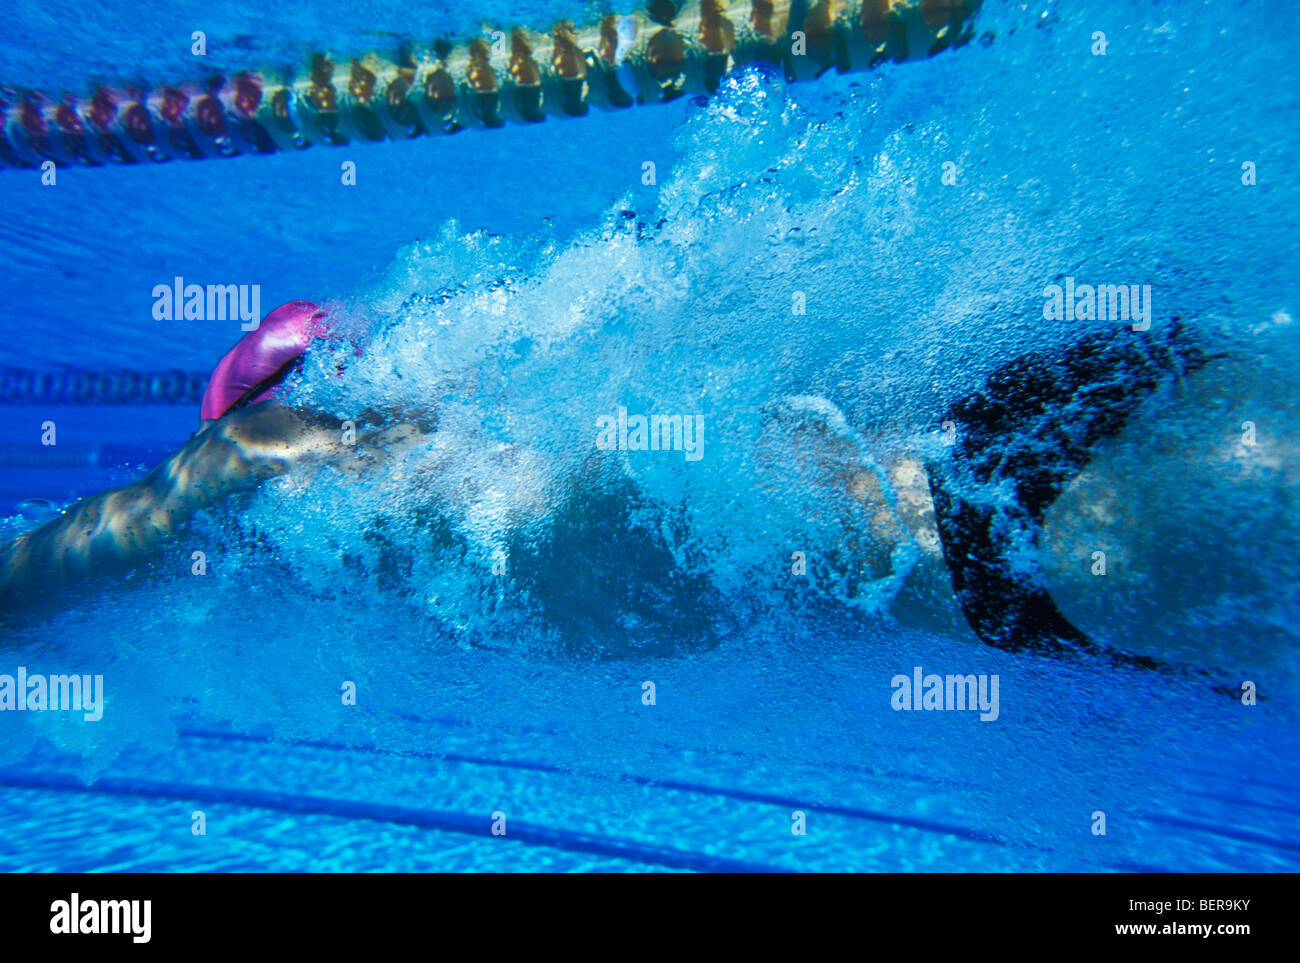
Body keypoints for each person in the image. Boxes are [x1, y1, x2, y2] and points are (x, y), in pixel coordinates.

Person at [0, 302, 1218, 678]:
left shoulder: (277, 452)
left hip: (1002, 543)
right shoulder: (483, 438)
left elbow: (69, 554)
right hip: (1004, 495)